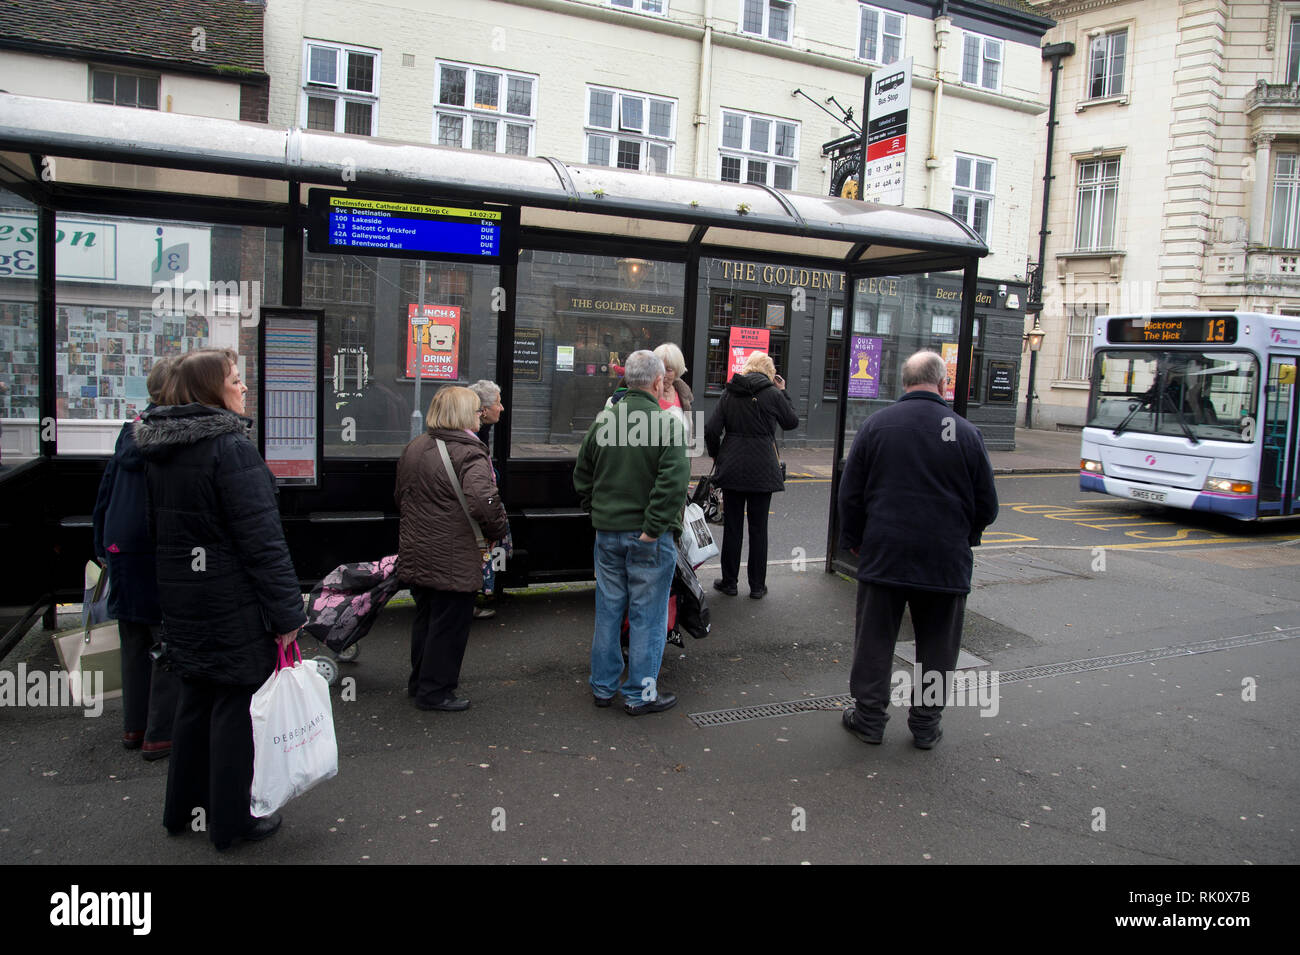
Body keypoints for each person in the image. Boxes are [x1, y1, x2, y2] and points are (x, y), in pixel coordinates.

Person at [135, 347, 305, 850]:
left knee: (195, 700)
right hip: (232, 602)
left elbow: (155, 532)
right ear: (212, 389)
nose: (243, 387)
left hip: (186, 601)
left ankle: (183, 811)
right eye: (235, 379)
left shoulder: (160, 448)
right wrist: (286, 615)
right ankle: (232, 822)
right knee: (236, 707)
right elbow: (262, 541)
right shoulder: (230, 448)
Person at [837, 350, 998, 749]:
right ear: (943, 384)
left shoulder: (876, 426)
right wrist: (965, 537)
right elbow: (987, 506)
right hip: (944, 558)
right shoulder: (966, 433)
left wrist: (857, 541)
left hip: (886, 552)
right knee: (937, 644)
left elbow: (850, 496)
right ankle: (925, 725)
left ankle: (870, 718)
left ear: (904, 384)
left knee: (875, 638)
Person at [573, 350, 690, 715]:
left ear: (627, 381)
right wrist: (653, 529)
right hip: (648, 539)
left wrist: (596, 510)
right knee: (648, 615)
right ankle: (640, 694)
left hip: (607, 533)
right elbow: (672, 485)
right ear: (658, 382)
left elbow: (582, 475)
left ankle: (603, 688)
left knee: (608, 610)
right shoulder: (668, 424)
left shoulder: (605, 421)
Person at [395, 385, 508, 711]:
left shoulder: (415, 447)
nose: (479, 416)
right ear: (461, 415)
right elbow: (483, 502)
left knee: (426, 619)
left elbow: (400, 496)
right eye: (474, 411)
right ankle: (436, 692)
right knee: (449, 626)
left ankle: (420, 683)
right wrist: (497, 528)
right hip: (453, 554)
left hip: (418, 549)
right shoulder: (470, 452)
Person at [92, 356, 179, 760]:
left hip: (121, 549)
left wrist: (104, 546)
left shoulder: (130, 431)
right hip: (155, 549)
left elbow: (106, 491)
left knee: (133, 638)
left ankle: (135, 726)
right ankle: (160, 734)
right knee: (167, 640)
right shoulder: (172, 436)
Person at [703, 350, 798, 599]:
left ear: (747, 367)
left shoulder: (730, 392)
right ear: (770, 372)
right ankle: (757, 586)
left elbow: (712, 430)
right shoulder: (773, 394)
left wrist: (716, 455)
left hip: (733, 466)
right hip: (763, 469)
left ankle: (729, 582)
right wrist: (783, 390)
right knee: (759, 528)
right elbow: (791, 422)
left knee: (733, 526)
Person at [467, 379, 509, 619]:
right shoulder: (473, 437)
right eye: (498, 403)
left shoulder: (481, 430)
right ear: (482, 410)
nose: (501, 408)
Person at [653, 342, 693, 439]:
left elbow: (689, 433)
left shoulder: (683, 395)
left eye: (669, 370)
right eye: (660, 368)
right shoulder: (647, 394)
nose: (663, 374)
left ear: (677, 371)